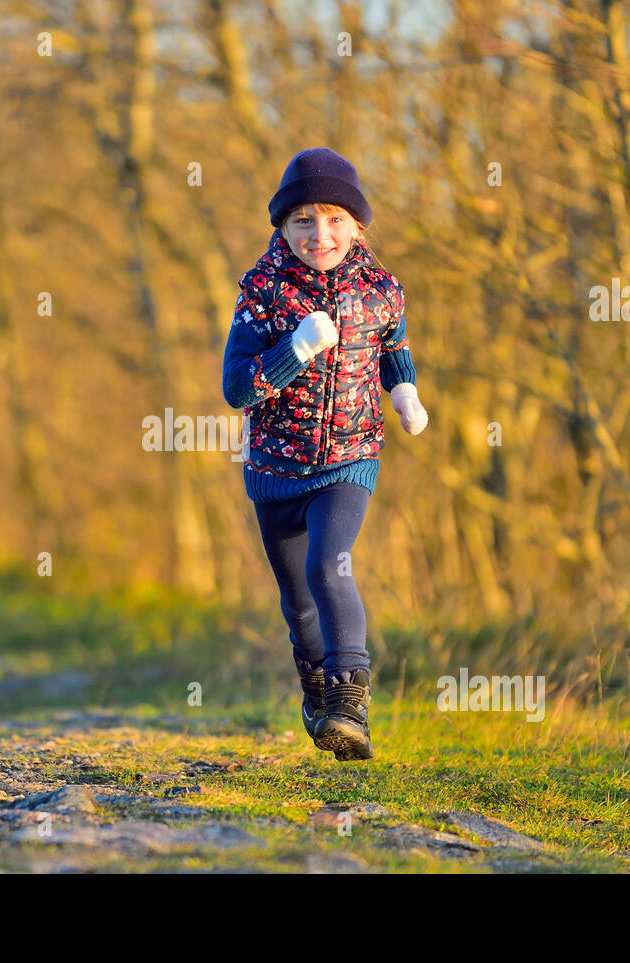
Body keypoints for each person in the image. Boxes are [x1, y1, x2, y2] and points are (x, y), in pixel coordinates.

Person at [221, 147, 428, 761]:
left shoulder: (381, 290)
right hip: (274, 471)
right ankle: (318, 694)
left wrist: (406, 389)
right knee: (297, 602)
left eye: (335, 218)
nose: (320, 233)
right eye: (303, 220)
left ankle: (350, 702)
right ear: (283, 229)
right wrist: (295, 351)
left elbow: (393, 344)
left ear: (358, 226)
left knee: (329, 562)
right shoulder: (262, 293)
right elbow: (237, 388)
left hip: (349, 457)